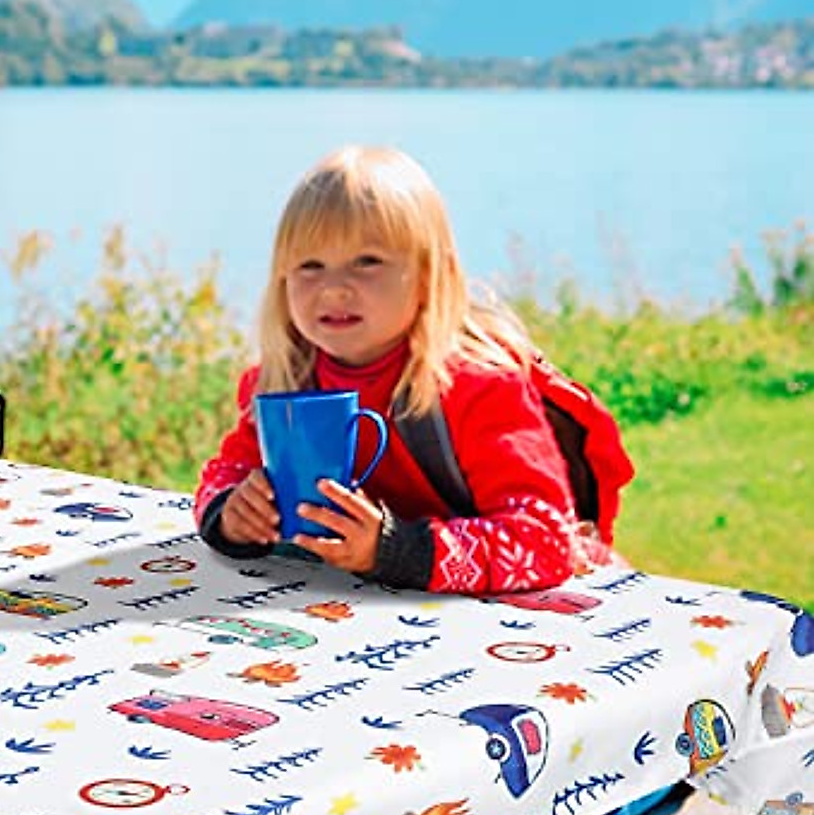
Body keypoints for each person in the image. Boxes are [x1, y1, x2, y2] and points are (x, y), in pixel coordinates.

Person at [196, 145, 609, 594]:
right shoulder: (282, 381)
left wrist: (392, 550)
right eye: (310, 266)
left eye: (367, 262)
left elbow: (546, 542)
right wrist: (232, 514)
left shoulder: (478, 387)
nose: (334, 289)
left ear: (430, 275)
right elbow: (222, 475)